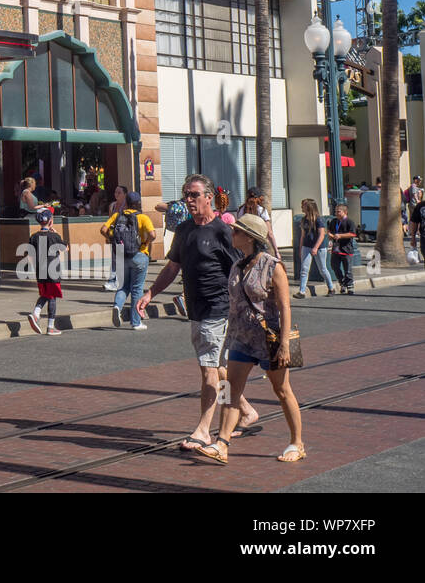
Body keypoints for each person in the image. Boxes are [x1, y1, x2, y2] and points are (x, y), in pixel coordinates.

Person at [137, 173, 260, 453]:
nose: (189, 200)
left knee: (208, 372)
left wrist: (247, 305)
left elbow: (241, 268)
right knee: (219, 369)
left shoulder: (222, 232)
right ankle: (246, 410)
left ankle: (204, 430)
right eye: (186, 195)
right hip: (197, 309)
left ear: (208, 198)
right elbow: (172, 267)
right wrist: (150, 293)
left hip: (218, 310)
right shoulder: (184, 231)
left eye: (194, 195)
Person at [192, 214, 305, 465]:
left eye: (236, 231)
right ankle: (221, 443)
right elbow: (234, 306)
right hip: (241, 338)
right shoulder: (237, 265)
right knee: (229, 389)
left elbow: (285, 307)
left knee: (282, 390)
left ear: (250, 237)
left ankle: (297, 443)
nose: (231, 234)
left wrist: (285, 343)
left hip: (269, 338)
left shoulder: (273, 266)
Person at [102, 194, 155, 330]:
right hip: (139, 254)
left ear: (126, 203)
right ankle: (136, 322)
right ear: (138, 203)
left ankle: (117, 306)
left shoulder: (117, 216)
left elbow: (103, 229)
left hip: (121, 254)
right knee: (136, 288)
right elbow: (153, 234)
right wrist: (146, 243)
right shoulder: (143, 217)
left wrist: (110, 239)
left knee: (123, 286)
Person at [26, 206, 65, 335]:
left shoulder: (34, 237)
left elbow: (30, 254)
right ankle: (50, 326)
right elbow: (66, 249)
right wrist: (55, 232)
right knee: (52, 297)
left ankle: (36, 313)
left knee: (45, 294)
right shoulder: (54, 236)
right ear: (50, 221)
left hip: (40, 269)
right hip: (53, 270)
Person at [295, 198, 335, 298]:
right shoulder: (304, 220)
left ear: (309, 207)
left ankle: (331, 288)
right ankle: (302, 291)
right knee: (304, 269)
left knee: (323, 269)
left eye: (303, 205)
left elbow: (322, 235)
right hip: (306, 246)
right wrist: (301, 248)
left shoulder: (318, 220)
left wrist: (315, 248)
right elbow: (303, 235)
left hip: (319, 247)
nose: (301, 207)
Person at [328, 202, 357, 295]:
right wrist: (330, 235)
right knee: (334, 266)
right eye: (336, 212)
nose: (336, 213)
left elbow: (352, 234)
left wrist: (340, 236)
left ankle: (350, 286)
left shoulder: (349, 222)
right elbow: (330, 231)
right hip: (336, 249)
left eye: (338, 212)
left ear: (345, 212)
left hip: (346, 249)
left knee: (347, 269)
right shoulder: (333, 222)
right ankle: (342, 282)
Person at [104, 184, 129, 290]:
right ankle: (113, 280)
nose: (116, 194)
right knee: (115, 258)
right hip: (114, 235)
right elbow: (110, 220)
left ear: (125, 194)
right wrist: (107, 235)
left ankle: (118, 280)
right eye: (115, 192)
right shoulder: (112, 206)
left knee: (121, 258)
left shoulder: (127, 205)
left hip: (125, 235)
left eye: (119, 192)